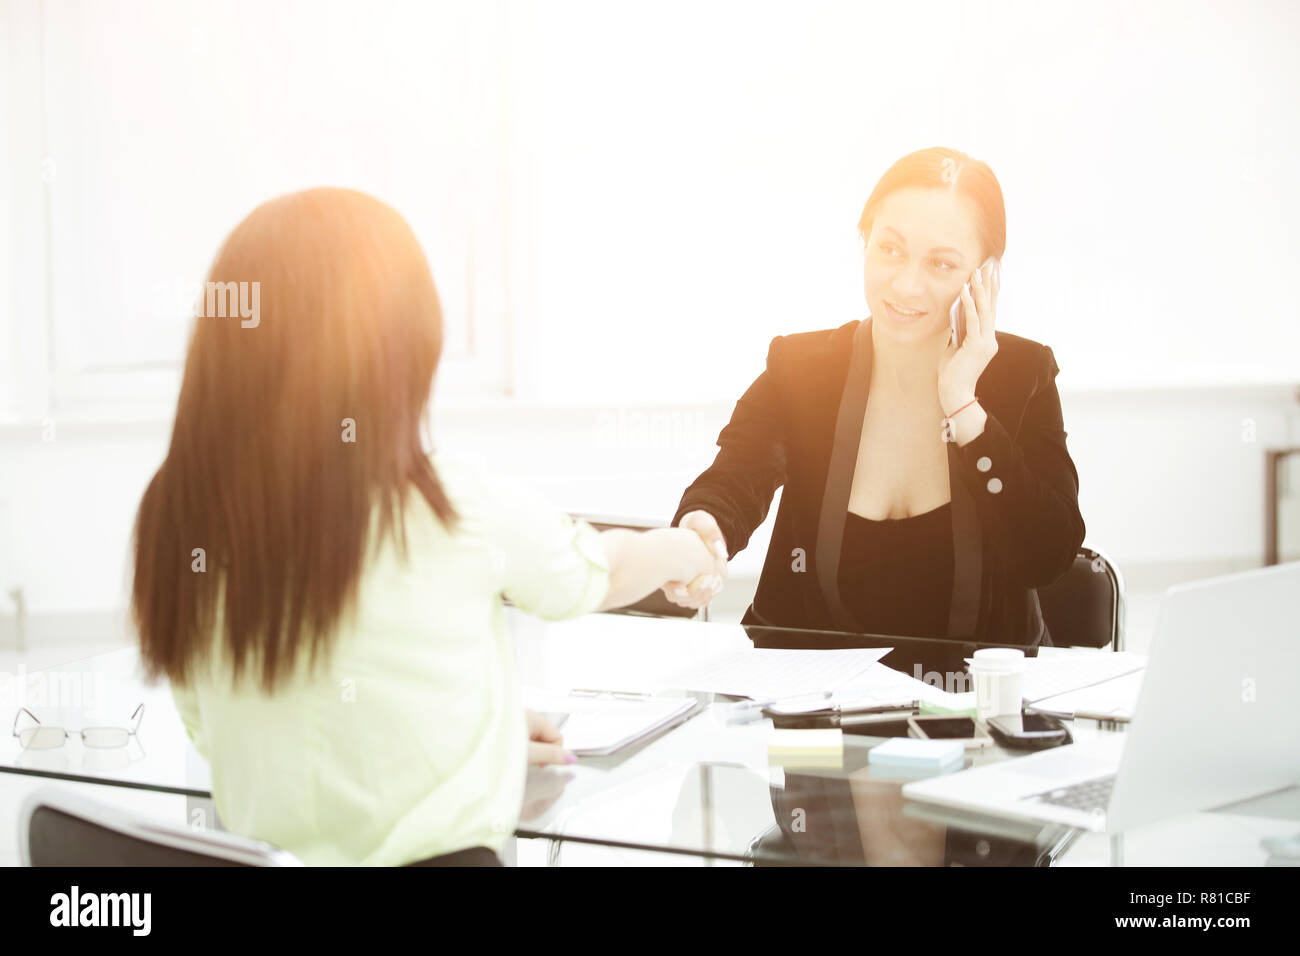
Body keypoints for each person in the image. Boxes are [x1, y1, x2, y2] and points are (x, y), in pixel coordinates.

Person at [131, 187, 723, 866]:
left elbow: (226, 731)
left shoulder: (180, 512)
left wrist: (480, 739)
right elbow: (597, 571)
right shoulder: (447, 504)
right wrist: (682, 548)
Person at [662, 147, 1085, 649]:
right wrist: (702, 530)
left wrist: (965, 408)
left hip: (974, 702)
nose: (906, 285)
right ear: (865, 241)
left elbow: (1047, 555)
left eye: (941, 264)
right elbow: (734, 482)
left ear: (985, 273)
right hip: (808, 696)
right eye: (890, 249)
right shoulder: (802, 367)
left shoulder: (1023, 375)